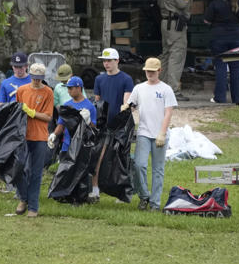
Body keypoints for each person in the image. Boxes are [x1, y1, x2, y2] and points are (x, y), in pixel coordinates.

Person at [126, 57, 177, 211]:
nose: (150, 73)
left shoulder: (166, 89)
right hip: (143, 132)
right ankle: (144, 196)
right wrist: (126, 107)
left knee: (157, 169)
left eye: (153, 71)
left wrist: (162, 133)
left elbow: (168, 113)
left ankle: (155, 203)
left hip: (160, 134)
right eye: (148, 71)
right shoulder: (139, 88)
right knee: (139, 165)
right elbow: (131, 104)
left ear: (159, 71)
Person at [92, 47, 133, 202]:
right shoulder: (99, 79)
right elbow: (97, 101)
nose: (106, 63)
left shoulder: (126, 79)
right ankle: (95, 189)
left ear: (117, 61)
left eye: (109, 60)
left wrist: (123, 113)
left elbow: (126, 103)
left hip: (120, 124)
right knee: (98, 156)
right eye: (104, 61)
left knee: (120, 159)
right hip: (103, 124)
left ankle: (121, 193)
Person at [204, 0, 239, 105]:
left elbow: (206, 21)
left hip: (219, 38)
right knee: (236, 68)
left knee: (220, 67)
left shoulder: (216, 4)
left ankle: (220, 97)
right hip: (236, 38)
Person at [15, 62, 54, 218]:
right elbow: (16, 111)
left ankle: (33, 207)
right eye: (34, 77)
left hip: (39, 136)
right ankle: (23, 198)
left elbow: (47, 117)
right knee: (18, 169)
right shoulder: (22, 90)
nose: (37, 81)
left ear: (43, 77)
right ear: (30, 75)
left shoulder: (48, 92)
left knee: (35, 173)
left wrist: (31, 112)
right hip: (22, 135)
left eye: (40, 78)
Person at [158, 0, 193, 101]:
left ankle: (160, 86)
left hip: (166, 21)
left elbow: (160, 0)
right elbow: (182, 2)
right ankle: (172, 89)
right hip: (175, 24)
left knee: (166, 55)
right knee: (176, 55)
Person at [47, 76, 96, 161]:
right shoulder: (66, 105)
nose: (68, 91)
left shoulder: (90, 107)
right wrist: (54, 134)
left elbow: (94, 129)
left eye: (70, 88)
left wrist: (88, 121)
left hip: (82, 148)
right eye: (68, 88)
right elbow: (61, 124)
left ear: (79, 88)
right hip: (67, 145)